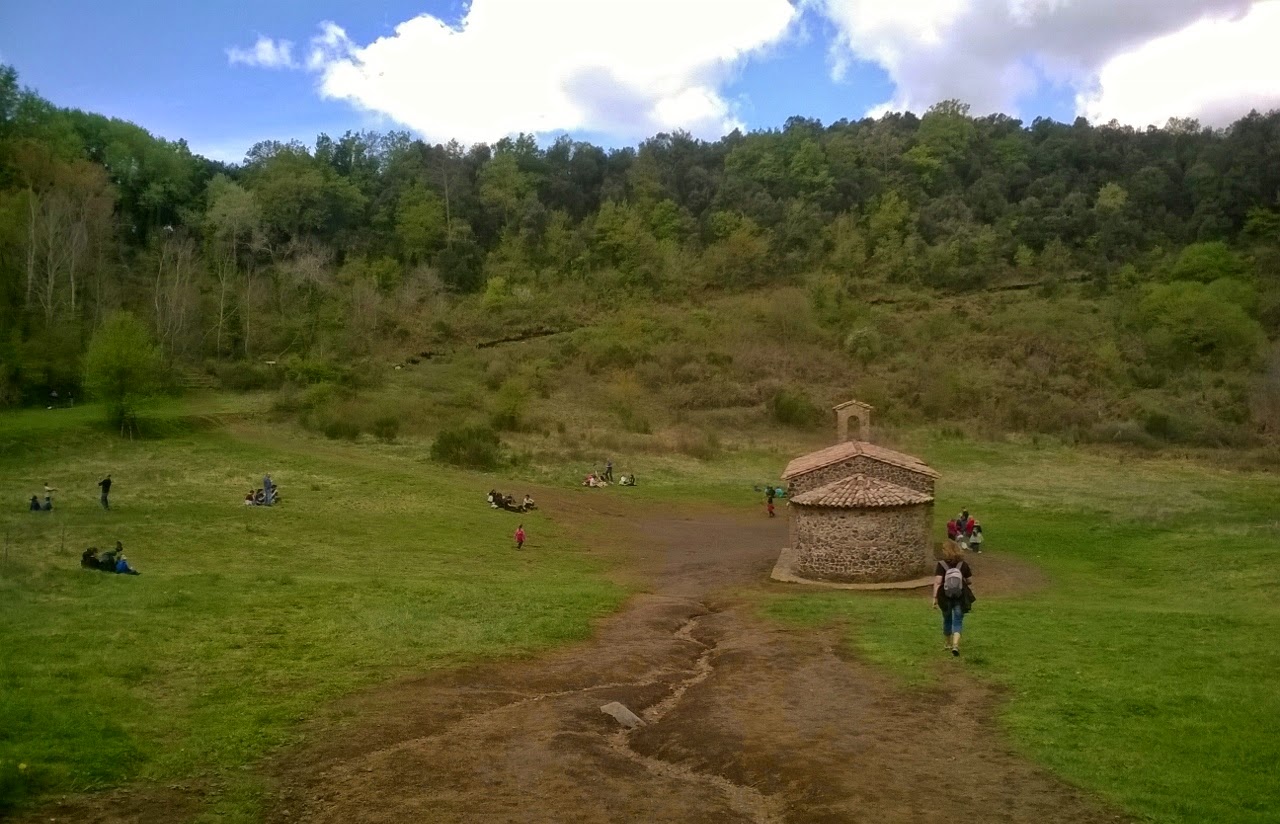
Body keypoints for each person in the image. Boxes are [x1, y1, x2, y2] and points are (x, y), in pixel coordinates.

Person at [932, 542, 975, 657]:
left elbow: (938, 582)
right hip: (960, 596)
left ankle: (947, 644)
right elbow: (970, 580)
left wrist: (935, 598)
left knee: (947, 619)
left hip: (944, 597)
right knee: (958, 620)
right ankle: (955, 645)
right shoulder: (963, 564)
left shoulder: (941, 564)